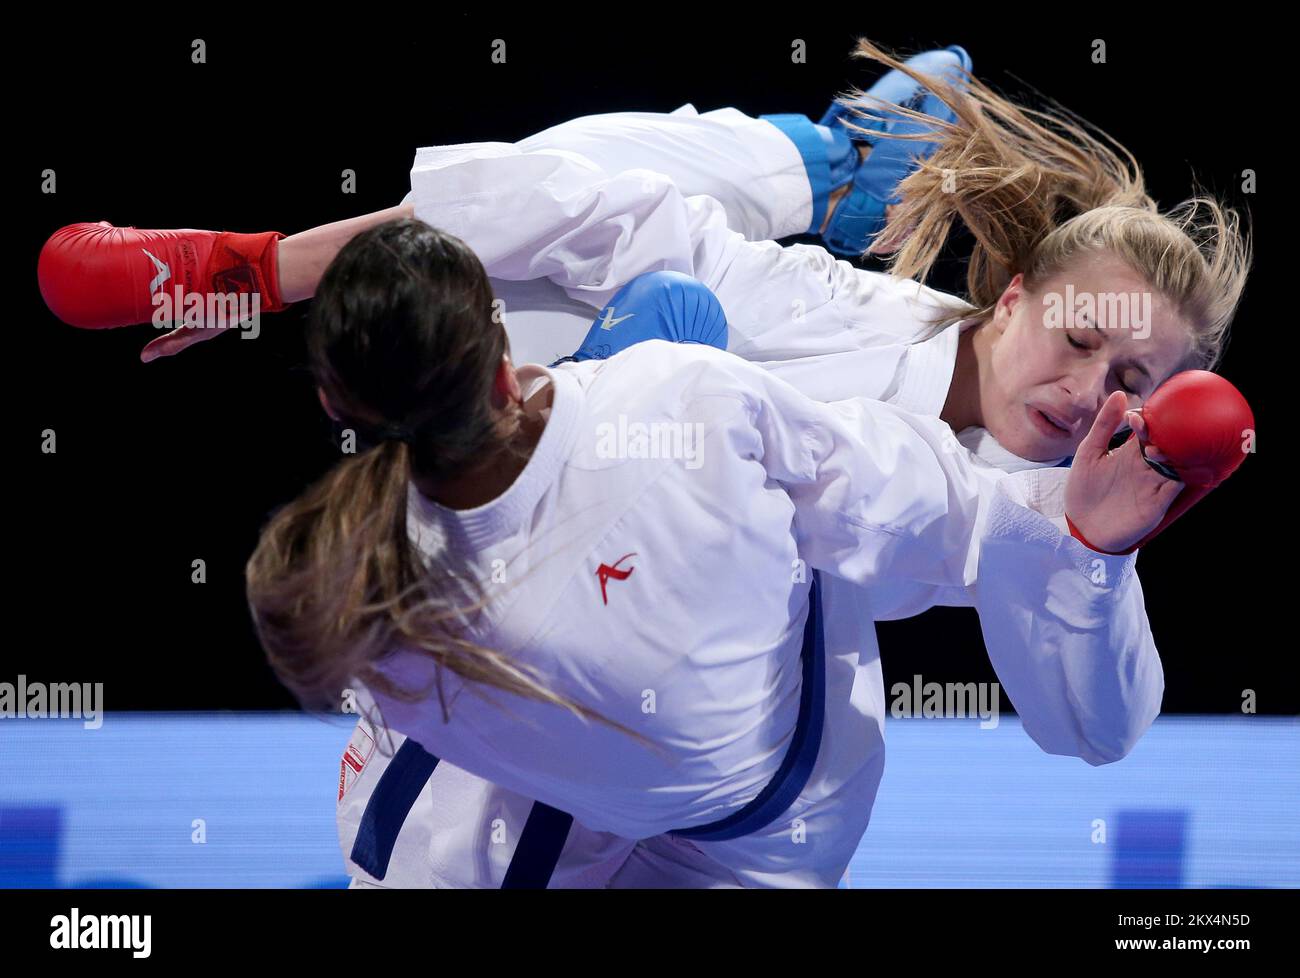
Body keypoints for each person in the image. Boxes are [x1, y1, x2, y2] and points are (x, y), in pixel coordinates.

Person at [35, 39, 1251, 886]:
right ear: (1016, 293)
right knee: (651, 269)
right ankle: (812, 163)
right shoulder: (831, 318)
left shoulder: (1055, 495)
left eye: (1138, 386)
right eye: (1084, 342)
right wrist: (252, 274)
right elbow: (571, 208)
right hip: (539, 601)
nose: (1095, 394)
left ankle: (813, 163)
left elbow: (1091, 732)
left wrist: (1096, 557)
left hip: (743, 766)